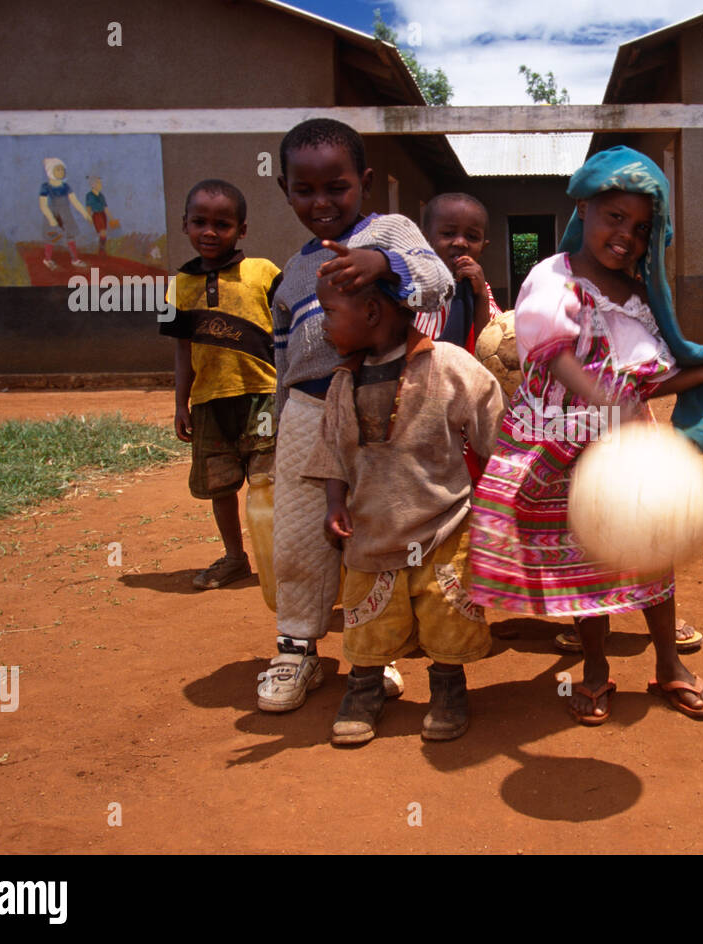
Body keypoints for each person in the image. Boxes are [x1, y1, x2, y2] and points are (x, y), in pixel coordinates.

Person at [468, 146, 703, 726]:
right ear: (584, 206)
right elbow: (551, 352)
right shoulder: (552, 278)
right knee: (588, 563)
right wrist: (598, 394)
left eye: (640, 228)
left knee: (651, 555)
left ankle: (668, 666)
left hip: (622, 449)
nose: (626, 236)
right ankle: (595, 670)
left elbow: (648, 382)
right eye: (615, 218)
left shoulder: (639, 299)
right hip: (556, 449)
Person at [256, 118, 453, 714]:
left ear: (364, 183)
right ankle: (296, 649)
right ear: (285, 191)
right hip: (310, 411)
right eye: (304, 190)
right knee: (299, 534)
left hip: (379, 409)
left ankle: (375, 648)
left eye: (336, 187)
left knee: (372, 531)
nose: (321, 202)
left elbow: (438, 282)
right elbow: (282, 355)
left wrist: (383, 265)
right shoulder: (291, 272)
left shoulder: (392, 231)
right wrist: (280, 425)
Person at [303, 271, 505, 744]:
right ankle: (364, 688)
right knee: (370, 620)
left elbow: (491, 425)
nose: (323, 325)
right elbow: (332, 447)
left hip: (444, 526)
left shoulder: (451, 365)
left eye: (329, 313)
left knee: (447, 612)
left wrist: (503, 498)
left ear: (371, 313)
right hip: (371, 530)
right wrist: (335, 502)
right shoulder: (342, 382)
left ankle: (449, 687)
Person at [160, 179, 280, 591]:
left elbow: (286, 331)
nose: (210, 232)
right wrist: (181, 403)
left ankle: (278, 558)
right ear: (184, 225)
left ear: (241, 230)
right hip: (210, 401)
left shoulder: (263, 273)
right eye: (200, 222)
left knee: (268, 482)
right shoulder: (179, 285)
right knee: (220, 485)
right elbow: (182, 350)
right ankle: (234, 557)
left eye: (222, 224)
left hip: (263, 398)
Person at [414, 193, 502, 352]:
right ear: (425, 240)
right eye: (448, 234)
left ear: (483, 248)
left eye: (472, 237)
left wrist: (481, 295)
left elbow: (489, 347)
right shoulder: (413, 284)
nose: (460, 243)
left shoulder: (480, 289)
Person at [38, 158, 91, 271]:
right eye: (58, 169)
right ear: (51, 171)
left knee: (70, 236)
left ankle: (75, 259)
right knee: (51, 237)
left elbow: (75, 201)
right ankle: (47, 259)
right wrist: (51, 218)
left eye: (63, 170)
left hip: (66, 215)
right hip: (53, 215)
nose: (61, 172)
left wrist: (85, 214)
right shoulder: (46, 187)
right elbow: (43, 205)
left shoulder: (66, 187)